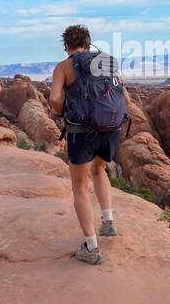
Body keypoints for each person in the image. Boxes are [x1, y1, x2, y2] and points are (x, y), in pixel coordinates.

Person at [49, 24, 128, 265]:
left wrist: (64, 113)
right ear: (89, 42)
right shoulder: (108, 62)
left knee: (80, 187)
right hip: (112, 129)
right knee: (99, 169)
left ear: (66, 46)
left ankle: (91, 248)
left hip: (82, 133)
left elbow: (54, 98)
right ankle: (108, 223)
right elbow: (126, 97)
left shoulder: (63, 67)